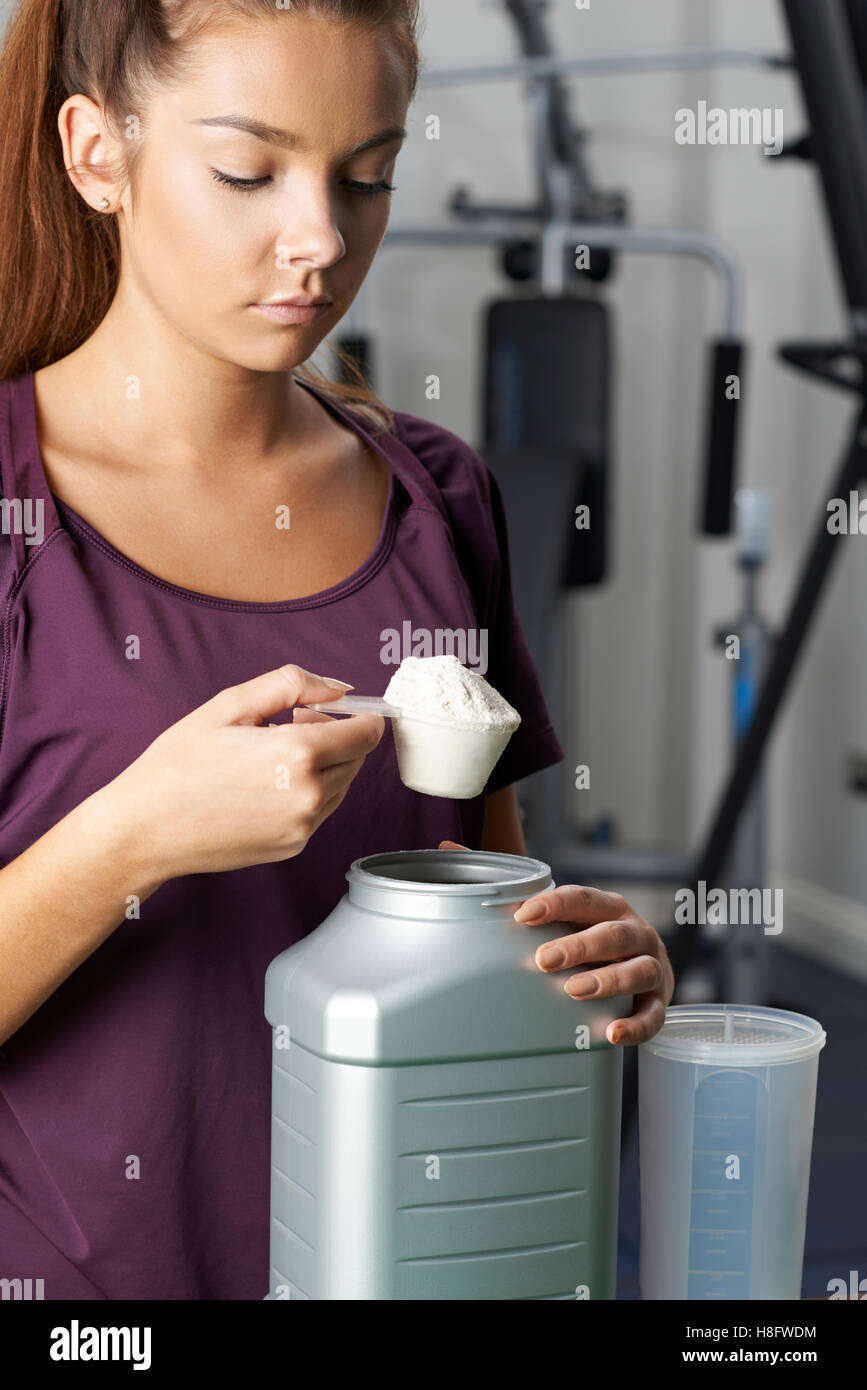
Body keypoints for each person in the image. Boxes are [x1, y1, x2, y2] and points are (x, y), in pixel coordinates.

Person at [0, 0, 673, 1300]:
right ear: (98, 156)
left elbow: (490, 909)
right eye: (247, 171)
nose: (319, 240)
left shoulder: (439, 496)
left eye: (367, 176)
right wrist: (133, 831)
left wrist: (599, 969)